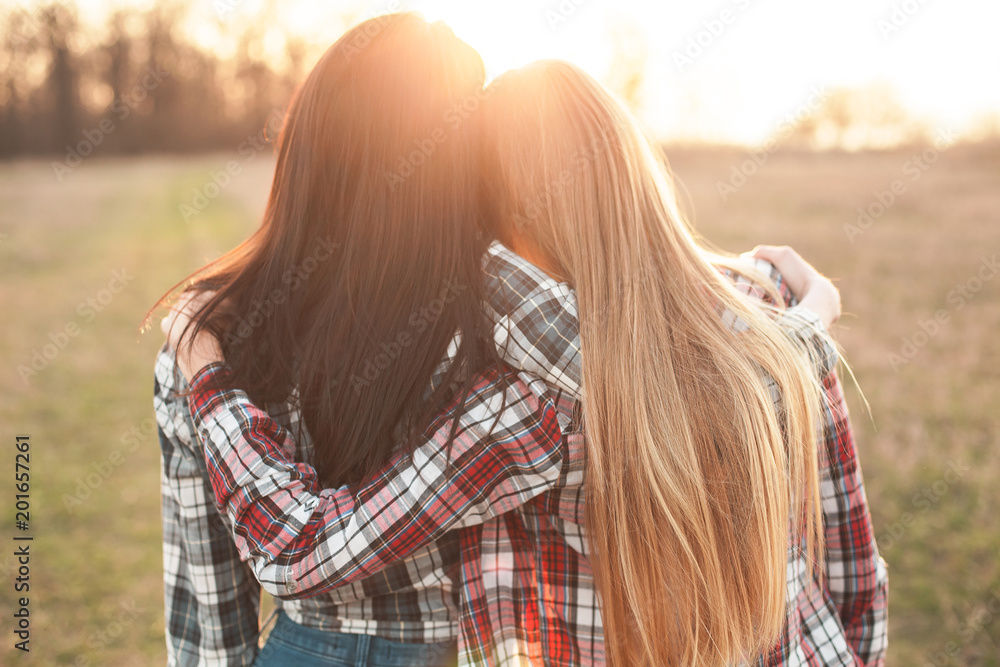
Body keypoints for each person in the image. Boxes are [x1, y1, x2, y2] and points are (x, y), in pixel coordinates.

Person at [159, 52, 886, 667]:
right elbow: (854, 570)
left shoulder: (527, 405)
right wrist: (812, 308)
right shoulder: (771, 318)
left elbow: (301, 548)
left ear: (496, 212)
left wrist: (205, 368)